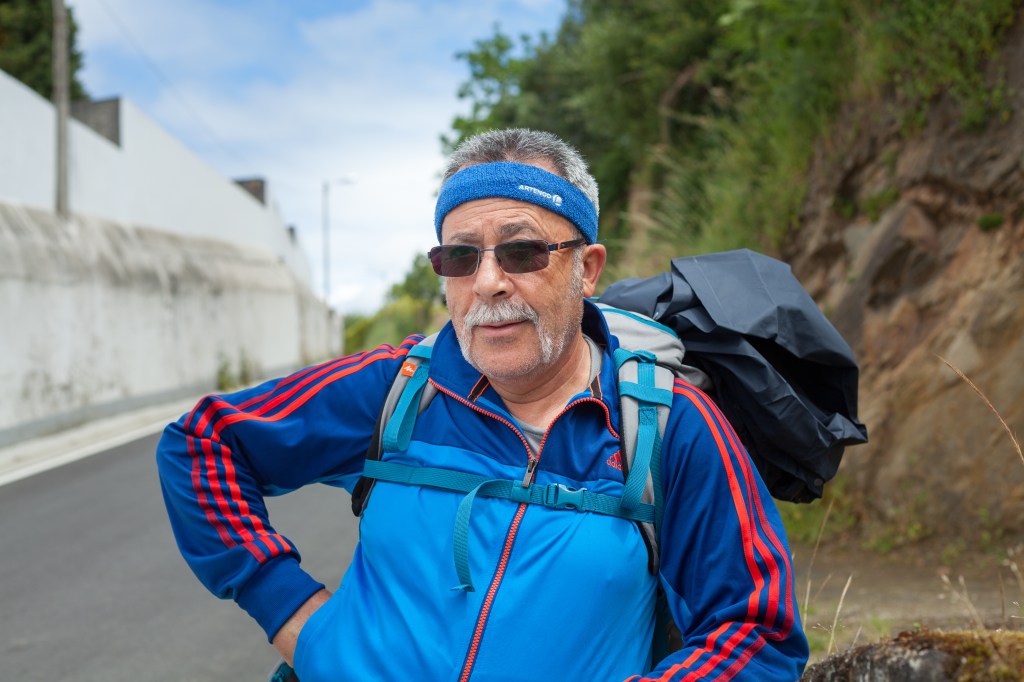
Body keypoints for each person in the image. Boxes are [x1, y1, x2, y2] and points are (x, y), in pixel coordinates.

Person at [156, 128, 809, 681]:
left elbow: (758, 632)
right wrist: (295, 615)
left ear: (587, 268)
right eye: (461, 257)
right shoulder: (397, 389)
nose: (488, 282)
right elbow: (202, 443)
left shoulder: (668, 427)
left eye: (522, 251)